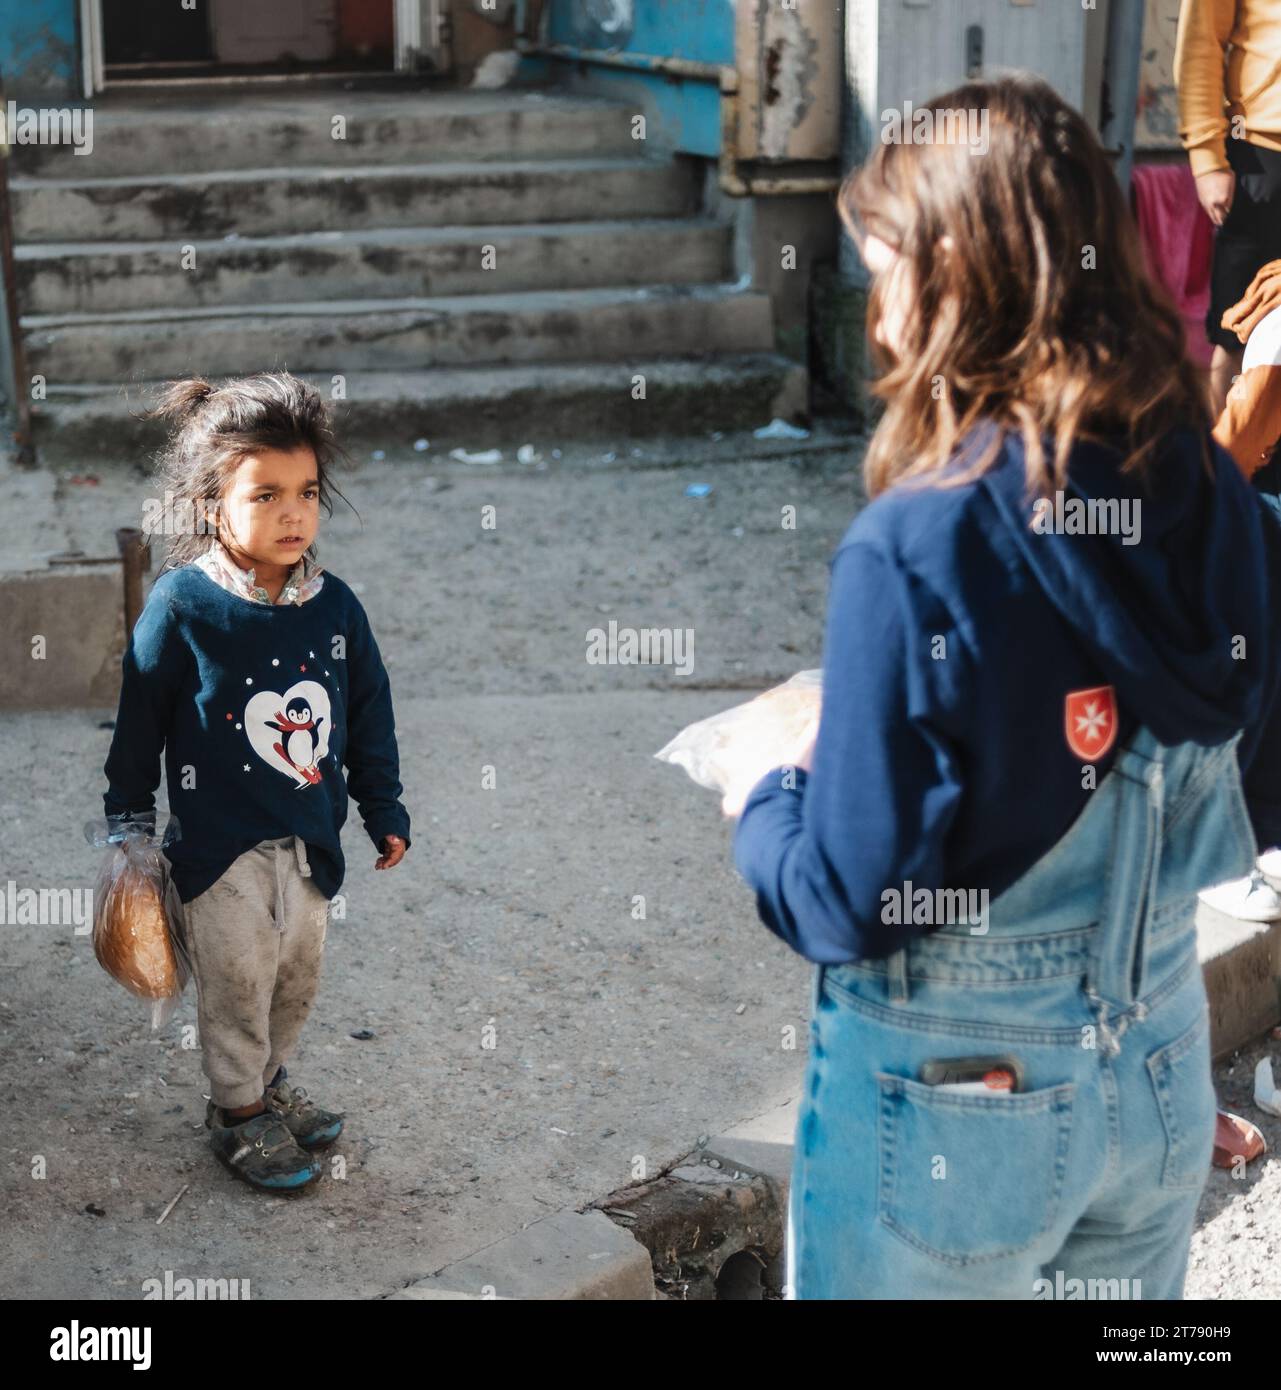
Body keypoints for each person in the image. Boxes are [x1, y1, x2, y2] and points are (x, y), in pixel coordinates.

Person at [726, 75, 1281, 1299]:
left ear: (952, 276)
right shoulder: (1211, 489)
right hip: (1159, 1072)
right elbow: (1219, 754)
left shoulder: (915, 544)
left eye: (884, 270)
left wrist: (765, 788)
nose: (877, 319)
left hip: (952, 1112)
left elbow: (843, 901)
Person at [101, 373, 412, 1193]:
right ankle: (236, 1114)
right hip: (219, 853)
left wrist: (383, 807)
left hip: (310, 843)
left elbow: (367, 713)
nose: (291, 513)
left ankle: (270, 1086)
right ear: (212, 505)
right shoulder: (183, 608)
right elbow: (140, 720)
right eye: (265, 494)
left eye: (306, 492)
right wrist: (127, 823)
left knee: (292, 981)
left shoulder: (334, 607)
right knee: (237, 987)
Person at [1175, 0, 1281, 416]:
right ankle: (1220, 469)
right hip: (1263, 154)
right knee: (1239, 325)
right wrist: (1206, 159)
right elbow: (1200, 43)